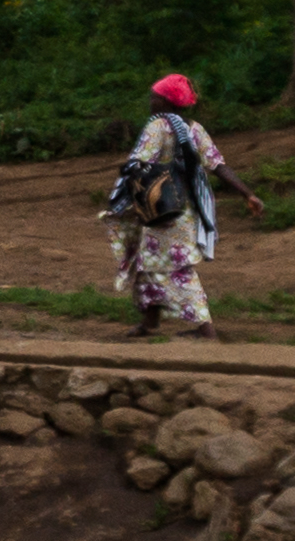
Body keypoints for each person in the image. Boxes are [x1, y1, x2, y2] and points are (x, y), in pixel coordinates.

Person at [106, 73, 265, 341]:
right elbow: (218, 165)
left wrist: (123, 198)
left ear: (165, 101)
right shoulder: (194, 128)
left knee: (179, 270)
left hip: (160, 209)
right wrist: (247, 194)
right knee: (149, 263)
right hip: (185, 210)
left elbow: (138, 165)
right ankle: (150, 323)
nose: (150, 101)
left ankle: (207, 331)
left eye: (154, 96)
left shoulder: (157, 127)